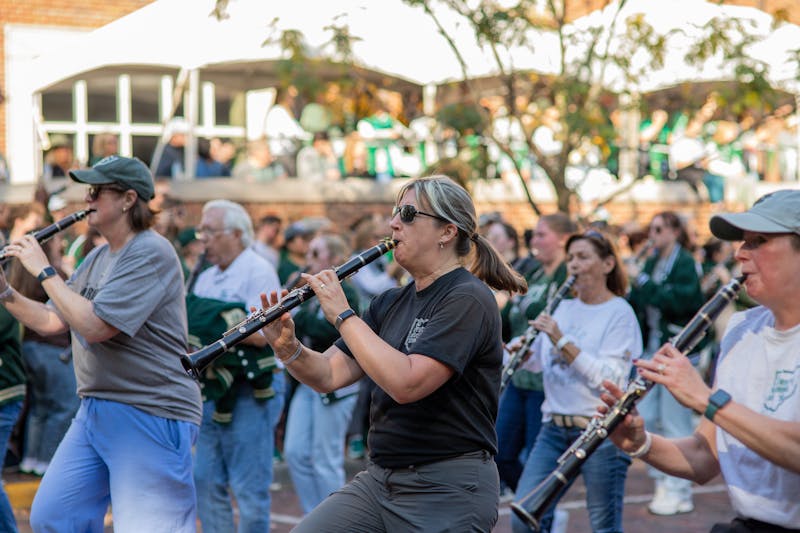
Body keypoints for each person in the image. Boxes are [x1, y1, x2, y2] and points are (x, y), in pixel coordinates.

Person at [259, 175, 527, 532]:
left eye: (408, 214)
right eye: (395, 213)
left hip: (446, 486)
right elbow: (328, 374)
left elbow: (408, 383)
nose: (394, 223)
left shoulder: (467, 298)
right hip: (381, 479)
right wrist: (288, 348)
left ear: (447, 232)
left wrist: (342, 314)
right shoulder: (390, 301)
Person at [0, 155, 201, 531]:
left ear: (128, 199)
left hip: (150, 408)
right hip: (96, 406)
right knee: (55, 516)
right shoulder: (98, 255)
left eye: (97, 191)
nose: (87, 198)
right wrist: (6, 292)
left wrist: (43, 269)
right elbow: (53, 318)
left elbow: (94, 326)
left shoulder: (150, 251)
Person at [601, 189, 800, 532]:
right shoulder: (742, 329)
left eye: (759, 241)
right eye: (743, 241)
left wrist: (706, 399)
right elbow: (704, 457)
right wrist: (641, 443)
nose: (739, 253)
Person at [511, 230, 642, 533]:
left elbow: (611, 379)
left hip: (601, 431)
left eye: (583, 257)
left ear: (608, 264)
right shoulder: (563, 307)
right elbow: (540, 362)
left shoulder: (620, 313)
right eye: (570, 258)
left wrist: (561, 340)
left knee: (604, 527)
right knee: (524, 518)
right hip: (553, 428)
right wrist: (519, 354)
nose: (573, 264)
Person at [188, 199, 284, 532]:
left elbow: (263, 334)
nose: (203, 239)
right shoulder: (205, 277)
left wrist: (214, 322)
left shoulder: (258, 270)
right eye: (201, 231)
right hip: (213, 387)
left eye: (210, 231)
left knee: (248, 486)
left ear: (237, 234)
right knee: (205, 479)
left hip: (251, 389)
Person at [627, 210, 706, 516]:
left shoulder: (685, 262)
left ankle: (679, 490)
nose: (653, 236)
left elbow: (681, 302)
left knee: (675, 421)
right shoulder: (652, 261)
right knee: (646, 415)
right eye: (652, 229)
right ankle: (663, 480)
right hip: (653, 349)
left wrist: (642, 281)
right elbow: (642, 301)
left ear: (674, 231)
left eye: (659, 229)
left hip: (676, 350)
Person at [497, 213, 576, 497]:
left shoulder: (568, 276)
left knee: (536, 458)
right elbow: (508, 315)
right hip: (520, 377)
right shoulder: (534, 273)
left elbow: (548, 315)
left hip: (546, 383)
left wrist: (522, 304)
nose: (535, 241)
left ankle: (541, 510)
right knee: (500, 453)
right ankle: (535, 503)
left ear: (563, 240)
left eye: (542, 235)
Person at [284, 234, 361, 514]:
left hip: (337, 381)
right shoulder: (309, 294)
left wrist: (295, 316)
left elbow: (329, 332)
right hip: (307, 381)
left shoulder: (347, 293)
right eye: (309, 253)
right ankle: (314, 516)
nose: (308, 260)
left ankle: (336, 521)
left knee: (325, 458)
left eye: (316, 254)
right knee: (295, 452)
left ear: (335, 259)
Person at [8, 234, 77, 477]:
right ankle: (47, 461)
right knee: (64, 405)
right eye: (57, 240)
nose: (62, 243)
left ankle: (31, 459)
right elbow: (70, 301)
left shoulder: (19, 273)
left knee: (40, 407)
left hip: (30, 347)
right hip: (52, 348)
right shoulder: (50, 274)